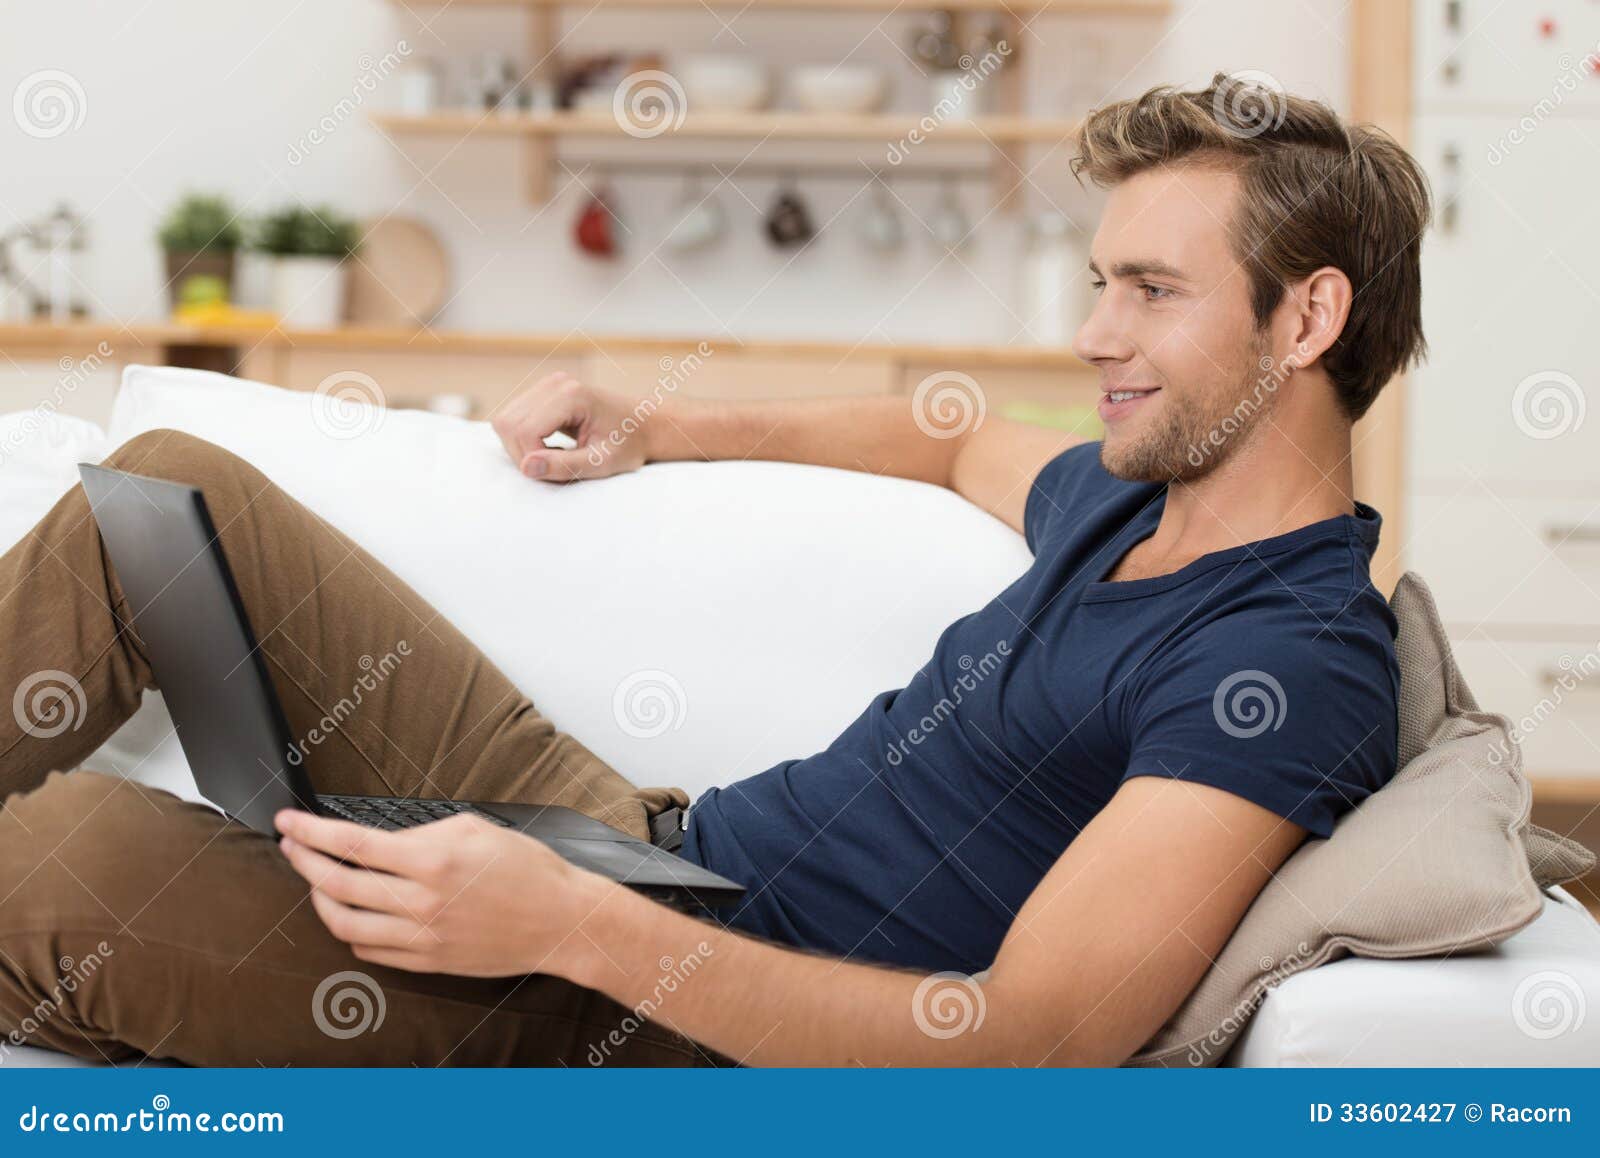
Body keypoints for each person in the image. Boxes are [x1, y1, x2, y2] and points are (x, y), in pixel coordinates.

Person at [0, 74, 1423, 1067]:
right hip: (648, 847)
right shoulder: (1131, 500)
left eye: (1152, 292)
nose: (1096, 333)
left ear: (1307, 319)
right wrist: (660, 425)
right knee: (166, 490)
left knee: (62, 857)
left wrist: (572, 927)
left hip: (654, 1026)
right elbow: (951, 434)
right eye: (1102, 282)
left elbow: (1026, 1044)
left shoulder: (1283, 663)